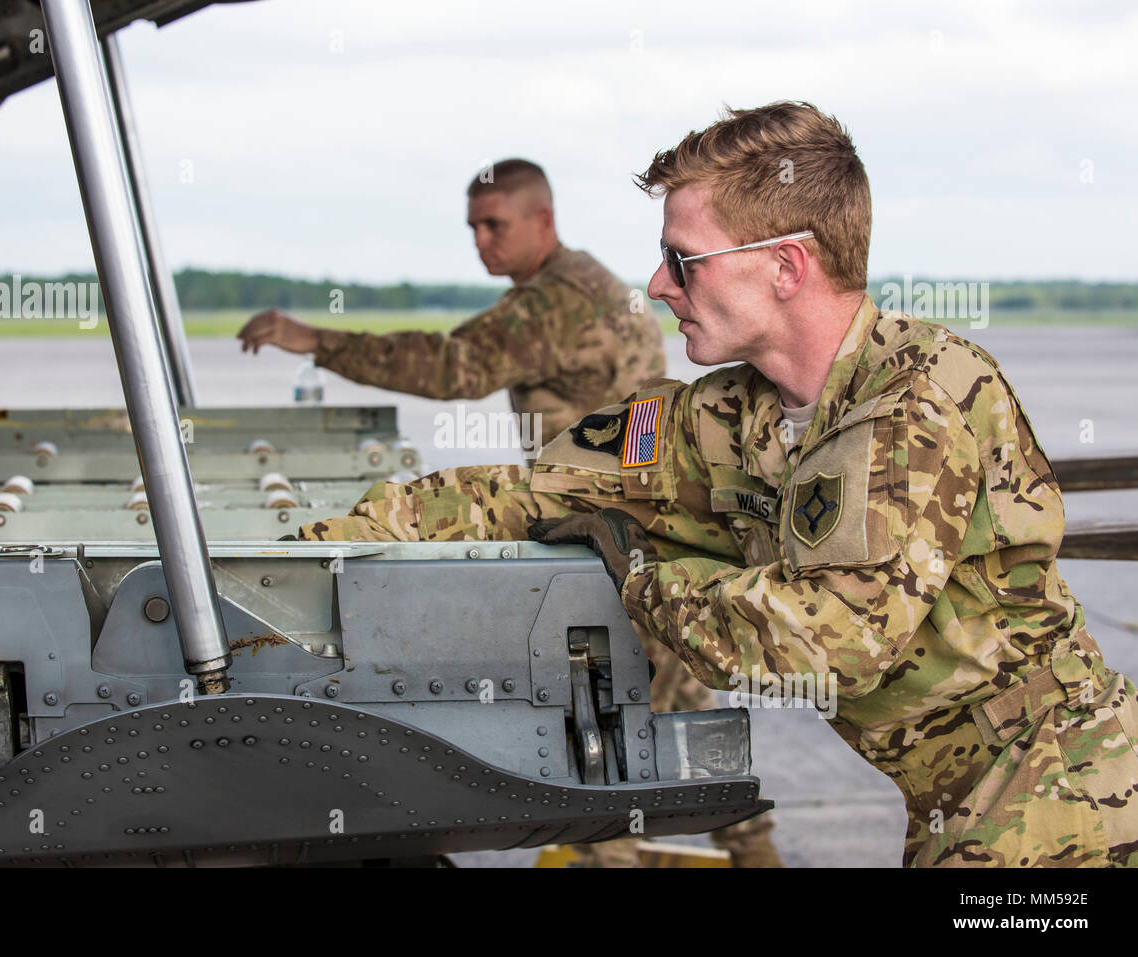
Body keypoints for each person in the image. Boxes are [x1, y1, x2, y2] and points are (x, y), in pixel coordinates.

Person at [301, 101, 1138, 868]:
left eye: (683, 259)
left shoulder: (916, 404)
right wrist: (309, 549)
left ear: (784, 266)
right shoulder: (727, 414)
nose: (660, 285)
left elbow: (828, 641)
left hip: (1063, 790)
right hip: (949, 794)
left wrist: (642, 579)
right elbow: (543, 485)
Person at [236, 159, 665, 446]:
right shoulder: (584, 279)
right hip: (623, 496)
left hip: (598, 508)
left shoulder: (556, 300)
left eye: (494, 225)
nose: (480, 241)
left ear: (543, 220)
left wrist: (315, 340)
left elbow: (452, 367)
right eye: (473, 227)